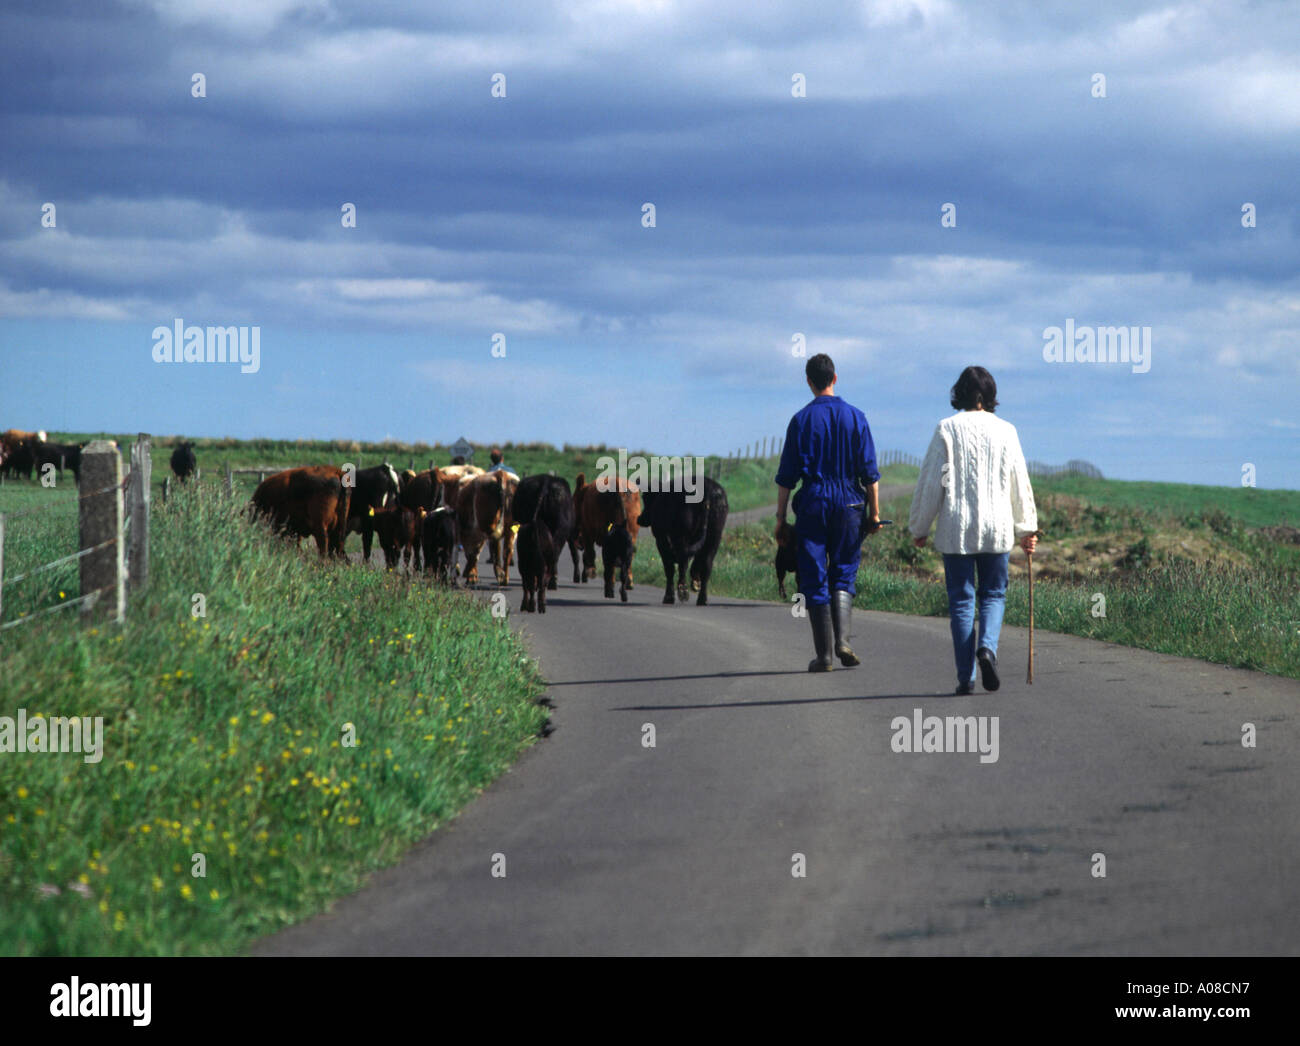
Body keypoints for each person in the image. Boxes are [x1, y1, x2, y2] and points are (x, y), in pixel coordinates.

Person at [908, 366, 1038, 695]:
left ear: (959, 393)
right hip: (997, 529)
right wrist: (1026, 529)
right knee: (993, 595)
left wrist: (920, 526)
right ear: (990, 395)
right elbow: (1018, 483)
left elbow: (931, 484)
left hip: (956, 530)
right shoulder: (1007, 431)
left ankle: (965, 677)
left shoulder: (946, 429)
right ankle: (988, 649)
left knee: (962, 602)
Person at [775, 353, 883, 672]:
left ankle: (823, 656)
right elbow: (870, 475)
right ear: (835, 378)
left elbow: (786, 479)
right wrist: (874, 514)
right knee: (845, 568)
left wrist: (780, 519)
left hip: (813, 503)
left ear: (809, 382)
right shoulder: (857, 417)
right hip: (850, 502)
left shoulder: (800, 421)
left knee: (813, 573)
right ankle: (843, 641)